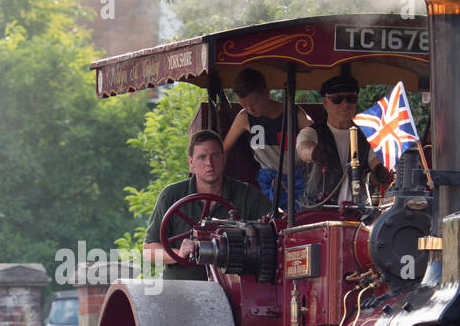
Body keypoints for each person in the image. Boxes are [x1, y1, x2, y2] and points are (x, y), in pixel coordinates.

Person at [144, 130, 273, 281]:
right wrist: (179, 253)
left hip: (234, 290)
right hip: (181, 289)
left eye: (215, 156)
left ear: (224, 159)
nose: (209, 163)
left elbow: (274, 228)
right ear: (191, 163)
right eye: (202, 157)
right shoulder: (171, 195)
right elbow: (149, 250)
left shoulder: (247, 195)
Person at [295, 72, 392, 205]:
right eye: (337, 99)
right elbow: (303, 148)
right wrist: (315, 152)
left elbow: (374, 159)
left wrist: (380, 170)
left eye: (351, 99)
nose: (345, 104)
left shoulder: (366, 134)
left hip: (358, 213)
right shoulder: (312, 132)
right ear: (325, 103)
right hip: (319, 212)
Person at [222, 67, 313, 208]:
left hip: (300, 181)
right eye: (244, 105)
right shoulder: (244, 118)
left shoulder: (294, 114)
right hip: (269, 184)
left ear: (266, 92)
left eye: (253, 104)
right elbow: (223, 150)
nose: (250, 110)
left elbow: (318, 136)